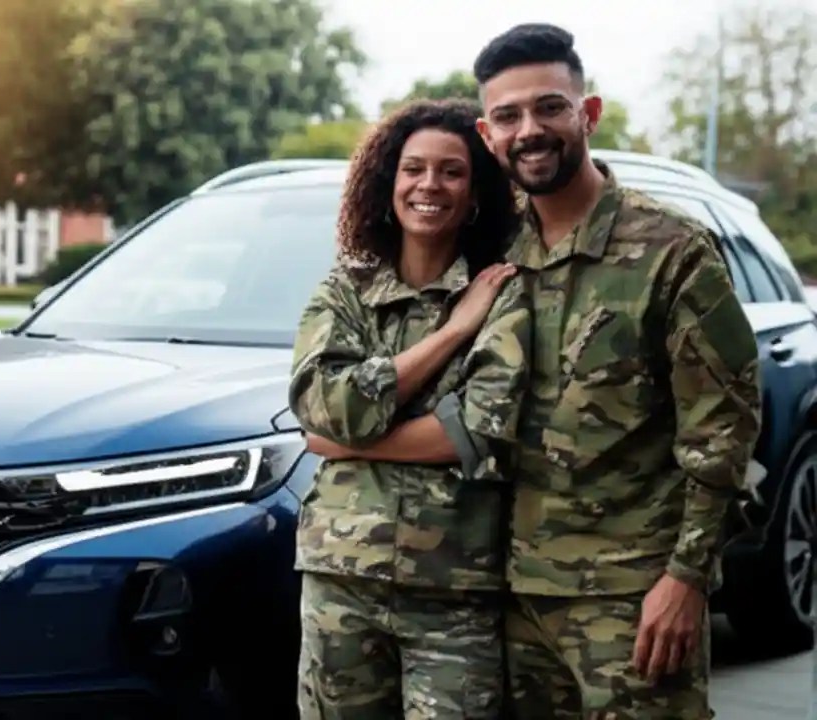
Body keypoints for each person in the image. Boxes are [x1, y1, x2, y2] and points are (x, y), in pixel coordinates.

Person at [305, 23, 764, 720]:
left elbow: (724, 433)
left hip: (628, 596)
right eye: (511, 116)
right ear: (490, 136)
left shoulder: (670, 252)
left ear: (589, 114)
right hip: (511, 596)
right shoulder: (491, 253)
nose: (532, 130)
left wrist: (687, 580)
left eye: (550, 107)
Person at [289, 98, 530, 720]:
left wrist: (346, 440)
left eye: (451, 171)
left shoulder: (500, 292)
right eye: (413, 168)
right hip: (341, 578)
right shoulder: (345, 289)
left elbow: (477, 431)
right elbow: (323, 405)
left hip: (455, 587)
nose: (430, 185)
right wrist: (452, 333)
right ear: (386, 183)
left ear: (475, 192)